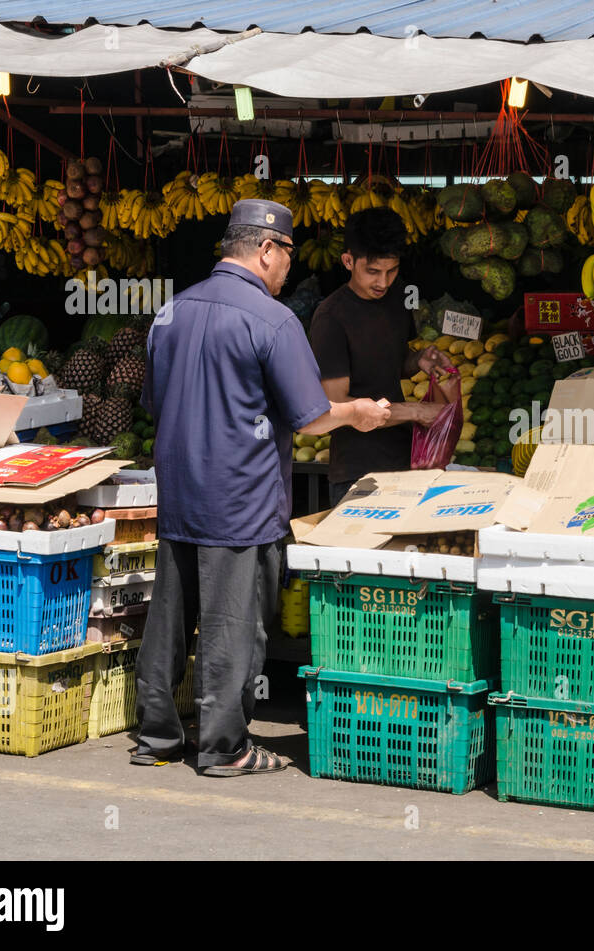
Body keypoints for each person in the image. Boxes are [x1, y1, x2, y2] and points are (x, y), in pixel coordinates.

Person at [134, 199, 391, 776]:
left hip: (178, 489)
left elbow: (154, 401)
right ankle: (224, 748)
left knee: (170, 613)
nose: (287, 271)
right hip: (239, 497)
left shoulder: (171, 310)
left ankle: (157, 737)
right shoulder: (271, 320)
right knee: (232, 621)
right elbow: (309, 416)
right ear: (266, 249)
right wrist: (355, 413)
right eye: (286, 256)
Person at [310, 206, 454, 507]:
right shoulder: (331, 318)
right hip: (358, 474)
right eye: (373, 271)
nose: (383, 282)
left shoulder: (397, 297)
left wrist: (419, 361)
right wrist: (413, 411)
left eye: (392, 270)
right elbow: (337, 404)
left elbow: (392, 362)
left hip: (405, 460)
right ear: (348, 261)